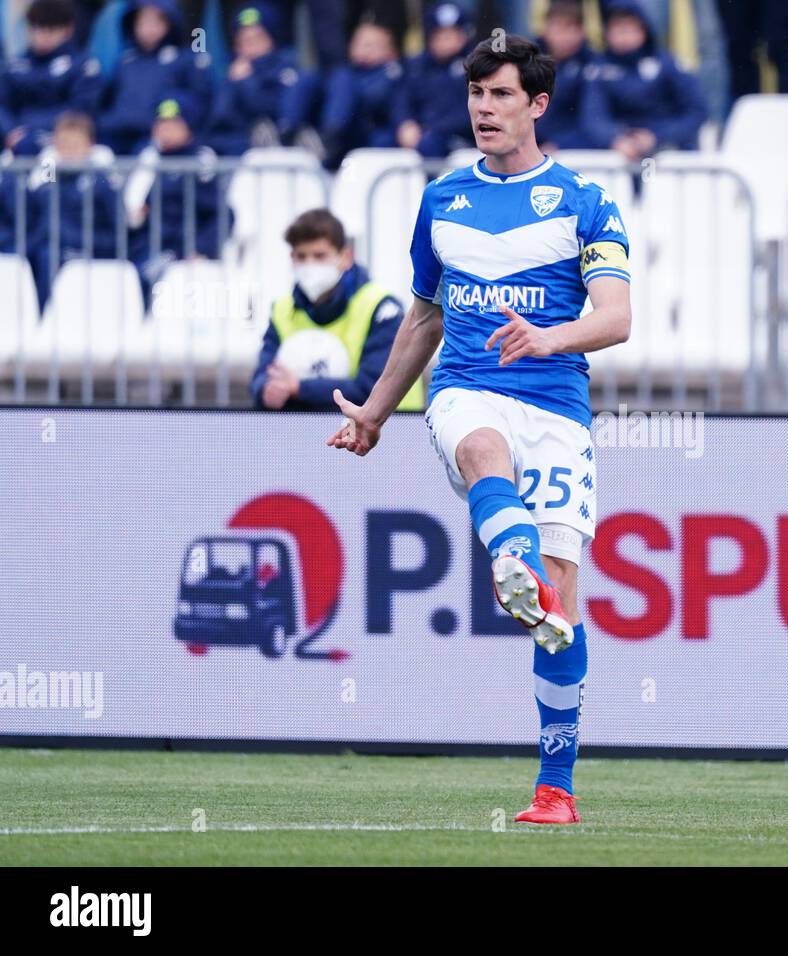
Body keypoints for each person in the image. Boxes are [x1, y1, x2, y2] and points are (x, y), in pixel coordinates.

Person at [326, 35, 632, 825]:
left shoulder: (584, 202)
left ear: (538, 104)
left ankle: (555, 790)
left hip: (557, 406)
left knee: (560, 613)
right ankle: (511, 553)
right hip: (465, 385)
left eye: (500, 95)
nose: (484, 109)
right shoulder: (442, 199)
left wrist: (550, 338)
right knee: (478, 446)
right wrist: (375, 410)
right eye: (475, 95)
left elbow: (617, 316)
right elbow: (424, 317)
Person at [250, 207, 419, 412]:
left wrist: (299, 388)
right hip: (308, 431)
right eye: (301, 257)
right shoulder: (282, 309)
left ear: (345, 257)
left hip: (396, 431)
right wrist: (266, 391)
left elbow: (372, 390)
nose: (309, 265)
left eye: (319, 256)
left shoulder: (382, 309)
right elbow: (261, 377)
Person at [123, 93, 231, 293]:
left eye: (173, 124)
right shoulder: (148, 159)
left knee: (151, 274)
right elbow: (134, 213)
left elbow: (222, 213)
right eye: (161, 124)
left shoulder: (200, 161)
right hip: (148, 246)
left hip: (183, 250)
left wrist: (201, 249)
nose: (165, 130)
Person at [582, 0, 708, 160]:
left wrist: (657, 136)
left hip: (668, 154)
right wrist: (614, 139)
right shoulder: (597, 70)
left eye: (628, 28)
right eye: (616, 28)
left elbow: (696, 112)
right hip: (618, 156)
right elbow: (592, 117)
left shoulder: (668, 64)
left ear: (643, 30)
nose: (623, 35)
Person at [25, 111, 123, 307]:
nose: (68, 151)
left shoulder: (101, 177)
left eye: (75, 145)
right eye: (63, 144)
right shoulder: (50, 171)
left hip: (93, 247)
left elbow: (115, 228)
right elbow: (40, 203)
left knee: (49, 258)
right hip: (52, 247)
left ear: (89, 145)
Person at [99, 0, 214, 154]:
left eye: (156, 21)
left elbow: (200, 102)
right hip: (117, 138)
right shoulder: (124, 62)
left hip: (159, 142)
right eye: (143, 21)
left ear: (170, 22)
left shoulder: (185, 60)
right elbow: (107, 101)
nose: (148, 28)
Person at [205, 3, 317, 155]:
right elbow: (221, 118)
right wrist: (232, 83)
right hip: (244, 148)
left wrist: (247, 82)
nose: (253, 45)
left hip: (286, 144)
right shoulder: (233, 77)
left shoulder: (287, 66)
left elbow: (275, 107)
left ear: (271, 39)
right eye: (246, 40)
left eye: (258, 37)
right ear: (238, 48)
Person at [0, 0, 103, 156]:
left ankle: (49, 181)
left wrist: (32, 129)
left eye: (50, 30)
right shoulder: (15, 66)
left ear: (68, 30)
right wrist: (10, 130)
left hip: (60, 143)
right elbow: (2, 103)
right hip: (16, 140)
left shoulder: (83, 66)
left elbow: (80, 109)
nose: (42, 36)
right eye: (36, 28)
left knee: (48, 162)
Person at [317, 19, 404, 168]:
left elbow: (377, 97)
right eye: (358, 43)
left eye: (370, 45)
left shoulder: (393, 72)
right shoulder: (344, 73)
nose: (363, 49)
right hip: (347, 134)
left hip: (376, 135)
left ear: (389, 51)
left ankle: (328, 140)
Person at [394, 2, 476, 159]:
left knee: (431, 143)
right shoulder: (415, 67)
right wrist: (405, 123)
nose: (446, 42)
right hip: (419, 135)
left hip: (461, 137)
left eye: (452, 35)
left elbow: (474, 111)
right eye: (440, 35)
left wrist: (434, 127)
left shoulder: (476, 66)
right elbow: (401, 101)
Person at [534, 0, 596, 152]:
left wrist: (561, 144)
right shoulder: (527, 60)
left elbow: (591, 120)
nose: (565, 36)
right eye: (559, 27)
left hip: (572, 152)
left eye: (571, 28)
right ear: (546, 28)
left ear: (582, 31)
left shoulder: (592, 65)